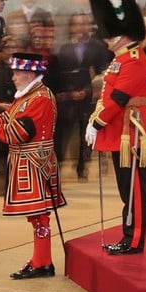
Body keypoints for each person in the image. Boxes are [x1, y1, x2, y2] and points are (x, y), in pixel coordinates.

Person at [0, 51, 67, 279]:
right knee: (36, 216)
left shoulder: (40, 98)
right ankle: (41, 260)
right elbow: (10, 119)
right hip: (25, 160)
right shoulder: (27, 95)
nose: (13, 77)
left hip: (35, 161)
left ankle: (43, 262)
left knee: (40, 215)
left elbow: (19, 132)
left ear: (29, 73)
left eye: (17, 73)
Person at [85, 0, 146, 255]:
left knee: (134, 189)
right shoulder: (120, 59)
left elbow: (118, 99)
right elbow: (106, 96)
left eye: (109, 34)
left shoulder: (135, 59)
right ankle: (129, 235)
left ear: (121, 35)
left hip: (132, 133)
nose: (105, 38)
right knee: (125, 186)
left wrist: (96, 122)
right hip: (121, 132)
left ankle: (135, 239)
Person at [53, 12, 111, 181]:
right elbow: (60, 74)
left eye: (84, 23)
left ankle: (82, 167)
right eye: (77, 24)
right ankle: (59, 165)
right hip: (67, 97)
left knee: (86, 133)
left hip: (88, 96)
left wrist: (87, 90)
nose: (80, 27)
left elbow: (103, 72)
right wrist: (68, 93)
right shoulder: (64, 48)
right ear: (71, 27)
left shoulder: (98, 47)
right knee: (63, 134)